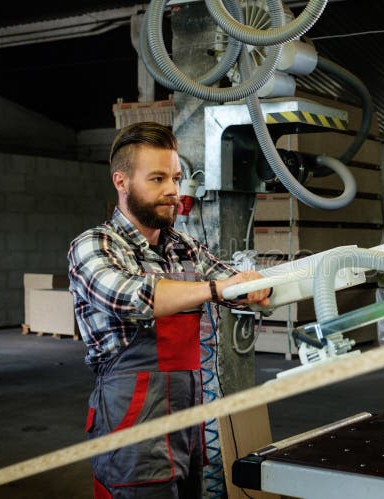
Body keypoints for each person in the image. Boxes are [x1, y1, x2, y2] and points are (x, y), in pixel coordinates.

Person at [68, 121, 270, 499]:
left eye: (176, 178)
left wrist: (259, 285)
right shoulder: (94, 246)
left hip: (184, 427)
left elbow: (234, 284)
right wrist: (215, 288)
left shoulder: (183, 247)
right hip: (133, 430)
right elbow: (128, 297)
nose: (173, 191)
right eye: (157, 179)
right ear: (121, 182)